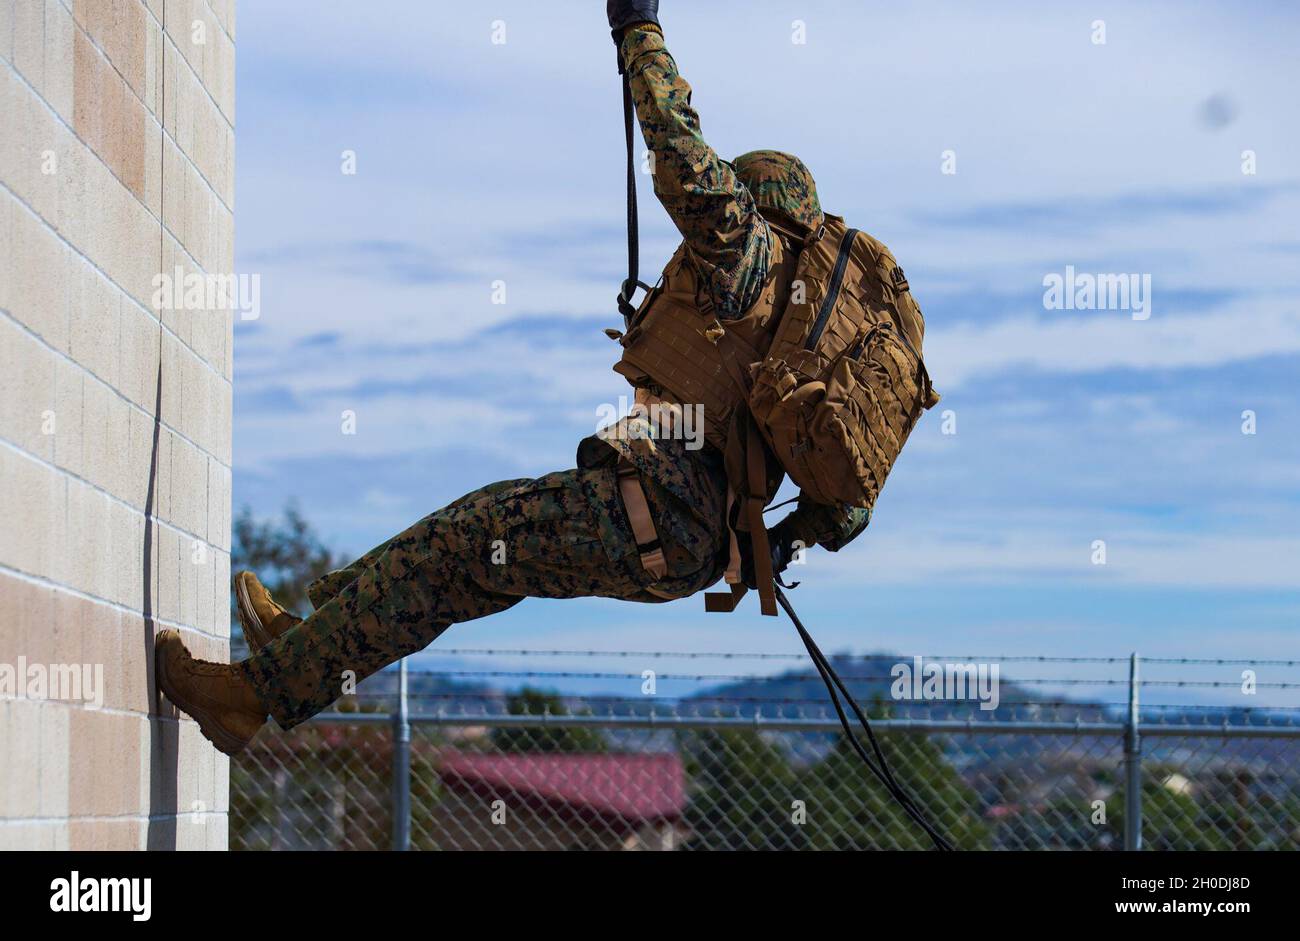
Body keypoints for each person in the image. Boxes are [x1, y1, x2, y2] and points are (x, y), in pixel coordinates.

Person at [155, 2, 911, 755]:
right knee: (464, 545)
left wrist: (637, 30)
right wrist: (769, 543)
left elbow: (678, 150)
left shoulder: (750, 257)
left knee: (461, 553)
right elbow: (847, 512)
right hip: (678, 532)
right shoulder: (810, 330)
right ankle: (307, 645)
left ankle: (253, 697)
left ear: (764, 208)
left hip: (659, 512)